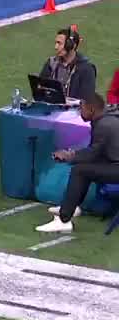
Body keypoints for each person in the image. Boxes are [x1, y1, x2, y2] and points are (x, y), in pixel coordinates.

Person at [36, 93, 119, 232]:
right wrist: (73, 155)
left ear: (91, 109)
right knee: (84, 169)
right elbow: (97, 152)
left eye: (82, 108)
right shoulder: (108, 118)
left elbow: (92, 154)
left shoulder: (104, 124)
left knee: (79, 171)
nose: (80, 112)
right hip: (113, 163)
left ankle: (64, 220)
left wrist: (69, 156)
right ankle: (71, 207)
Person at [39, 26, 98, 100]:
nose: (56, 47)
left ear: (72, 46)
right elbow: (40, 88)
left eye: (59, 43)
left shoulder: (86, 69)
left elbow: (86, 99)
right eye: (56, 43)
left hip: (74, 110)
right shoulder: (51, 63)